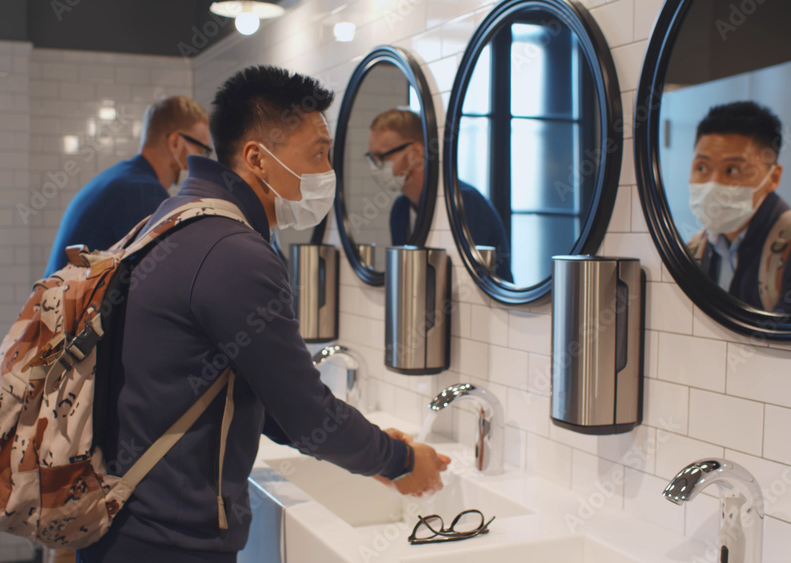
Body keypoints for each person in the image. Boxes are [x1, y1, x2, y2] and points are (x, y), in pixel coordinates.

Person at [75, 66, 451, 563]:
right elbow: (306, 413)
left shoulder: (176, 217)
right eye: (318, 152)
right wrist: (403, 461)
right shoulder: (234, 251)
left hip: (128, 522)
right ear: (258, 158)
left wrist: (374, 452)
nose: (327, 170)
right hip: (168, 540)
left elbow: (268, 399)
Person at [685, 101, 791, 313]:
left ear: (773, 177)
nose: (713, 183)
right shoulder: (696, 249)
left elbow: (789, 345)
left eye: (732, 170)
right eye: (701, 167)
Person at [42, 96, 213, 276]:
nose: (202, 158)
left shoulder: (124, 178)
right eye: (201, 149)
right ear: (175, 142)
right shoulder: (141, 191)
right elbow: (164, 276)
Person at [367, 109, 513, 281]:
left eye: (382, 156)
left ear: (415, 153)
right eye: (371, 157)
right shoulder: (400, 209)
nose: (375, 167)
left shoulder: (462, 202)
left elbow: (470, 283)